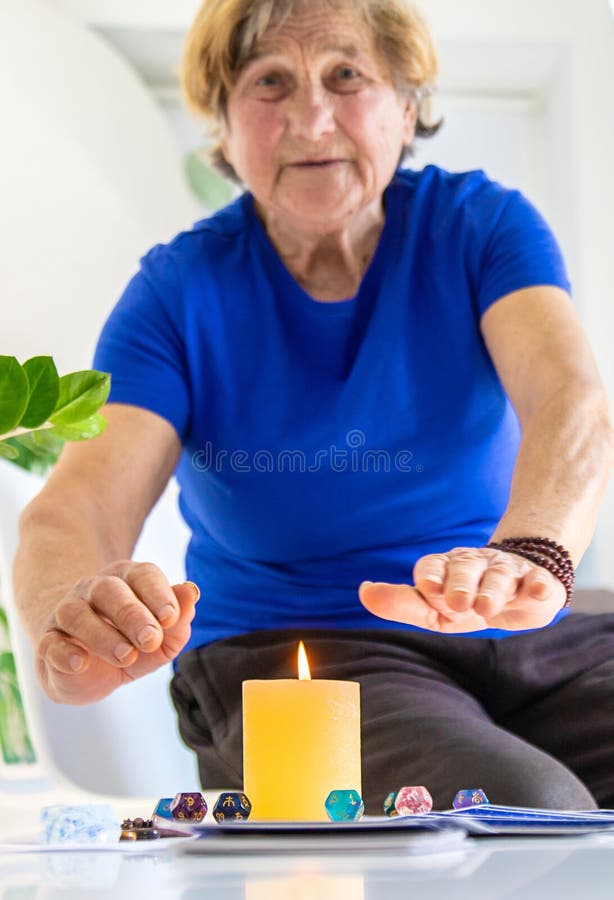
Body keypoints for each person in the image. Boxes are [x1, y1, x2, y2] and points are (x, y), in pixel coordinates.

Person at [13, 0, 614, 813]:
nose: (311, 118)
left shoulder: (481, 227)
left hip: (522, 635)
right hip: (299, 656)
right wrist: (73, 622)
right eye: (269, 83)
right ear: (224, 127)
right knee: (523, 810)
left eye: (346, 75)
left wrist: (533, 553)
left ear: (406, 106)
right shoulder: (176, 292)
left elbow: (568, 397)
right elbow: (79, 503)